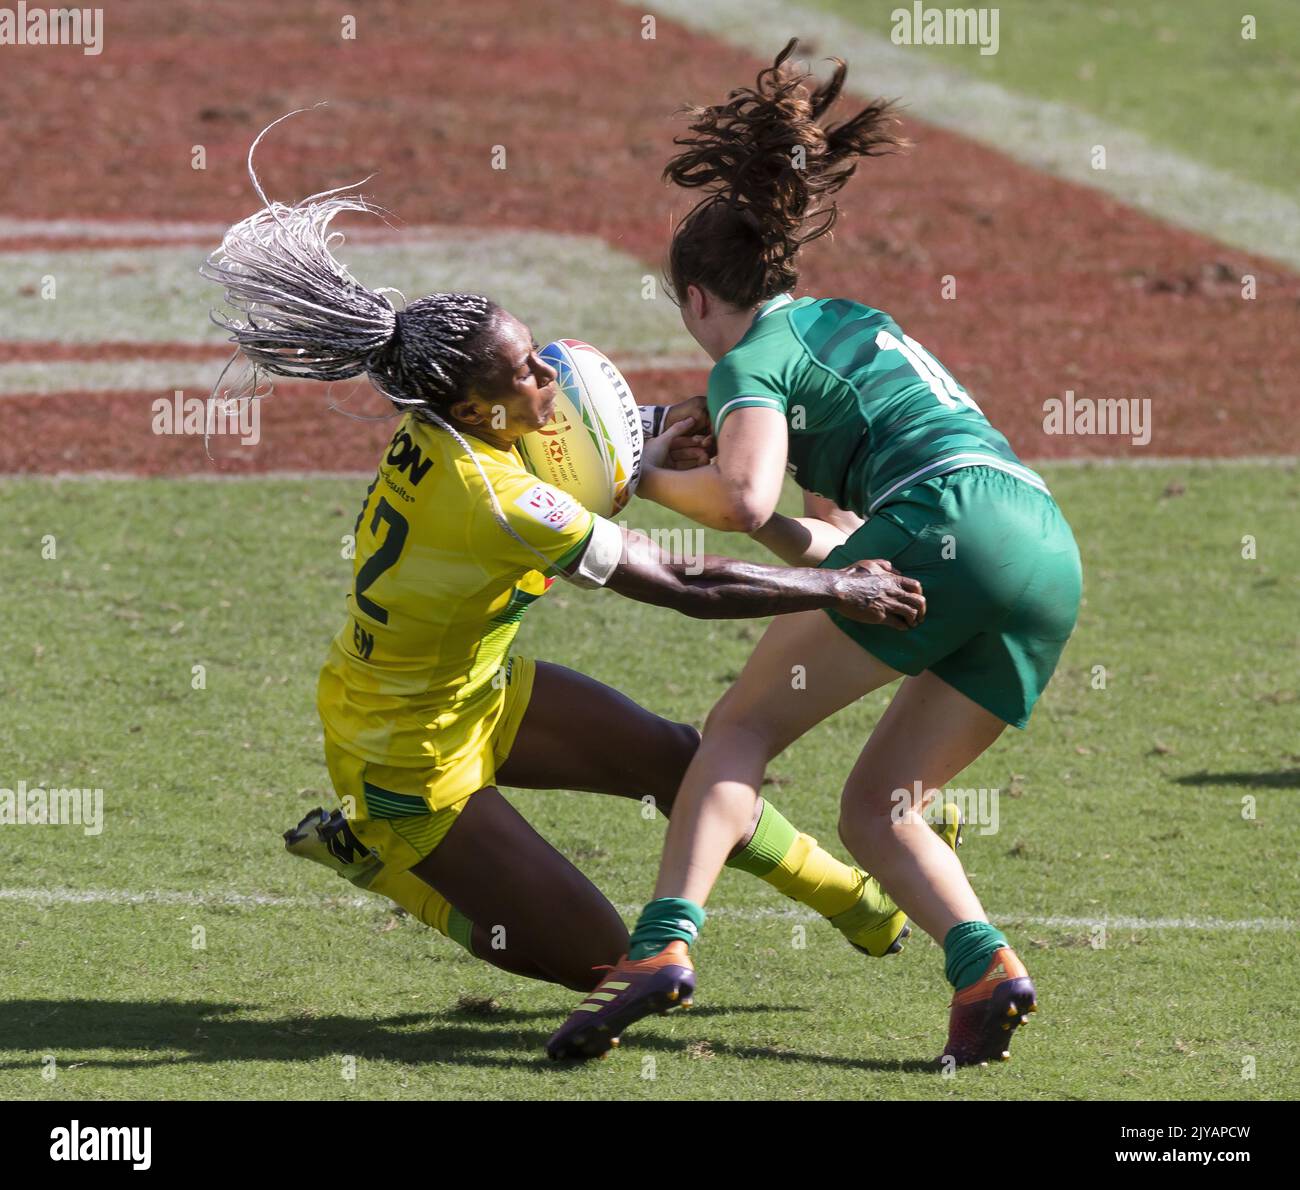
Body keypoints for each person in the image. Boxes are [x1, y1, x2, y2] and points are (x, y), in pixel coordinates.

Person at [200, 119, 934, 994]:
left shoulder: (445, 420)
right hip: (406, 757)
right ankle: (378, 857)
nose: (546, 381)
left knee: (678, 758)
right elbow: (683, 583)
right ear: (472, 409)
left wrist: (656, 430)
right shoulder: (495, 500)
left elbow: (569, 447)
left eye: (537, 358)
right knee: (599, 960)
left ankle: (857, 901)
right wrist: (833, 584)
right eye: (525, 377)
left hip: (472, 691)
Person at [547, 41, 1081, 1064]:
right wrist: (697, 476)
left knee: (738, 728)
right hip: (1043, 546)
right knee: (881, 806)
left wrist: (632, 478)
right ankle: (983, 968)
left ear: (698, 299)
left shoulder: (752, 355)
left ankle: (660, 945)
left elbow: (747, 495)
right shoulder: (851, 324)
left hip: (944, 516)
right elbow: (830, 545)